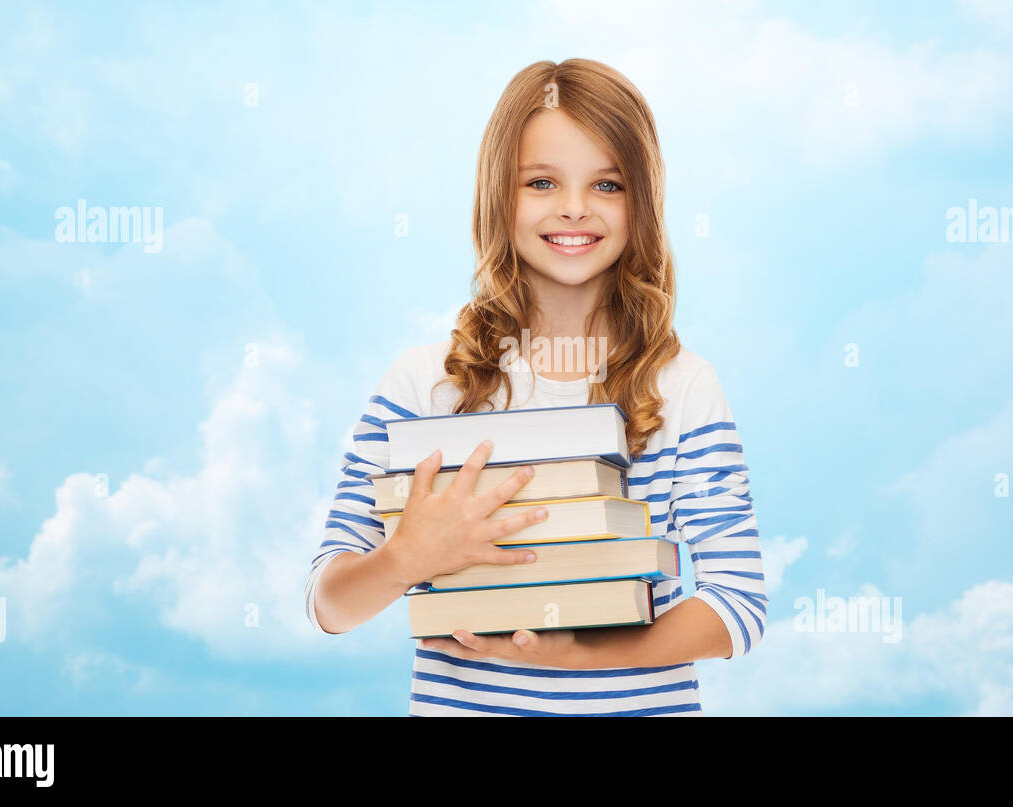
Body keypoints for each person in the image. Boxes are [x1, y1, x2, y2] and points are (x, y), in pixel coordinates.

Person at [305, 58, 767, 716]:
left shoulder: (683, 387)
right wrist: (407, 555)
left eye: (607, 184)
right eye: (542, 182)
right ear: (500, 195)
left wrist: (583, 656)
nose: (574, 207)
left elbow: (738, 604)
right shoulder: (422, 386)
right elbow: (329, 603)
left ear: (642, 200)